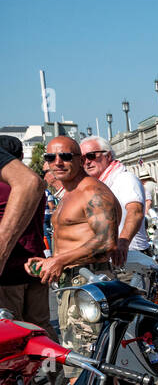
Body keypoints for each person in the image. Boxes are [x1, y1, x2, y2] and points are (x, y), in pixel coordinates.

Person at [29, 137, 120, 367]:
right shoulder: (68, 193)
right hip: (72, 283)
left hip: (89, 282)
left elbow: (107, 243)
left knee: (89, 364)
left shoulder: (91, 191)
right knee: (79, 362)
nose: (57, 162)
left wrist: (60, 259)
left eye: (65, 156)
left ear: (79, 160)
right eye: (51, 158)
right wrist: (48, 262)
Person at [0, 136, 51, 364]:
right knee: (42, 325)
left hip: (10, 269)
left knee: (14, 330)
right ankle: (55, 375)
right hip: (37, 264)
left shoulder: (5, 187)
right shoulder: (38, 185)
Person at [80, 136, 147, 264]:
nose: (87, 162)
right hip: (105, 261)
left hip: (128, 257)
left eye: (91, 156)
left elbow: (135, 212)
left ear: (108, 156)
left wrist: (123, 242)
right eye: (82, 159)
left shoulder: (124, 179)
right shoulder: (94, 186)